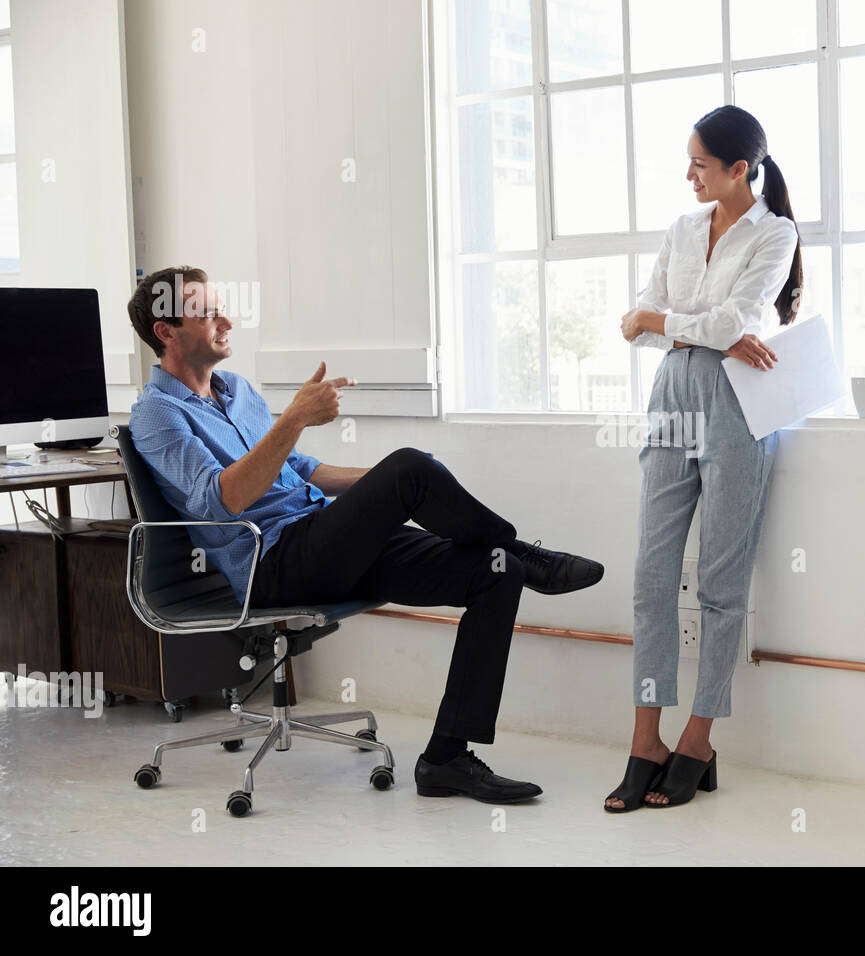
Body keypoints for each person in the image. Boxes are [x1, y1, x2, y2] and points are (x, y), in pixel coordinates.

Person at [126, 266, 604, 804]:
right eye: (208, 312)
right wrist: (298, 421)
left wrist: (397, 481)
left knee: (496, 571)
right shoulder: (155, 415)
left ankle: (446, 759)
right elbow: (220, 501)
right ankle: (525, 549)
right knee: (410, 471)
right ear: (166, 332)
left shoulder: (235, 390)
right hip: (274, 562)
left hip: (323, 538)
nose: (226, 320)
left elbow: (303, 469)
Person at [605, 105, 802, 811]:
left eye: (700, 163)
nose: (688, 174)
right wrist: (695, 330)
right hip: (674, 393)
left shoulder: (774, 235)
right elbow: (638, 321)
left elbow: (721, 321)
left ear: (738, 169)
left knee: (721, 582)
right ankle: (644, 739)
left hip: (739, 402)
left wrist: (672, 324)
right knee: (651, 575)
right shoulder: (684, 229)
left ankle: (698, 737)